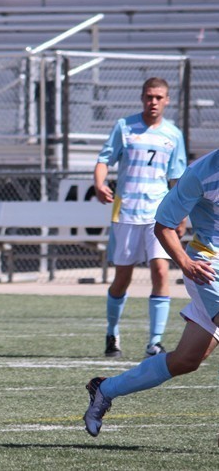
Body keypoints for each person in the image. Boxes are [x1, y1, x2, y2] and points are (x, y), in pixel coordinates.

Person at [83, 148, 219, 439]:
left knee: (186, 360)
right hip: (208, 266)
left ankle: (104, 389)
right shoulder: (201, 172)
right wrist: (185, 262)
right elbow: (165, 225)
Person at [93, 77, 187, 359]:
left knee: (160, 270)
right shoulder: (125, 127)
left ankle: (155, 342)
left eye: (159, 97)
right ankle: (112, 333)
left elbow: (177, 179)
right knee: (123, 276)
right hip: (126, 212)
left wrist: (180, 214)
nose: (153, 102)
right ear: (141, 97)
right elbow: (103, 160)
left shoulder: (173, 135)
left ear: (167, 100)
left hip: (159, 215)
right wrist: (99, 184)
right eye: (149, 97)